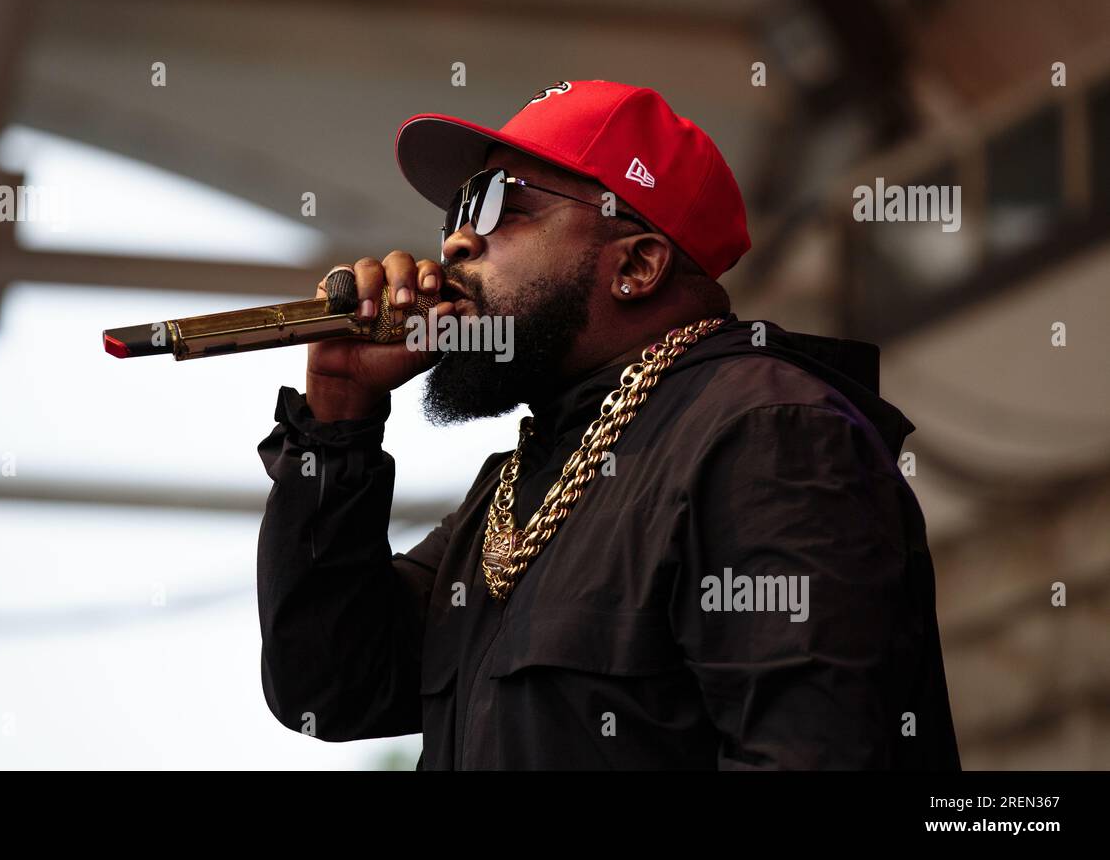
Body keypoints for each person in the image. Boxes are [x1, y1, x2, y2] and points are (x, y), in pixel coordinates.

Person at [255, 79, 960, 770]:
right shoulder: (513, 497)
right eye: (458, 212)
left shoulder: (767, 433)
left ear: (639, 265)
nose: (459, 243)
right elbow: (330, 684)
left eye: (503, 205)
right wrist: (336, 416)